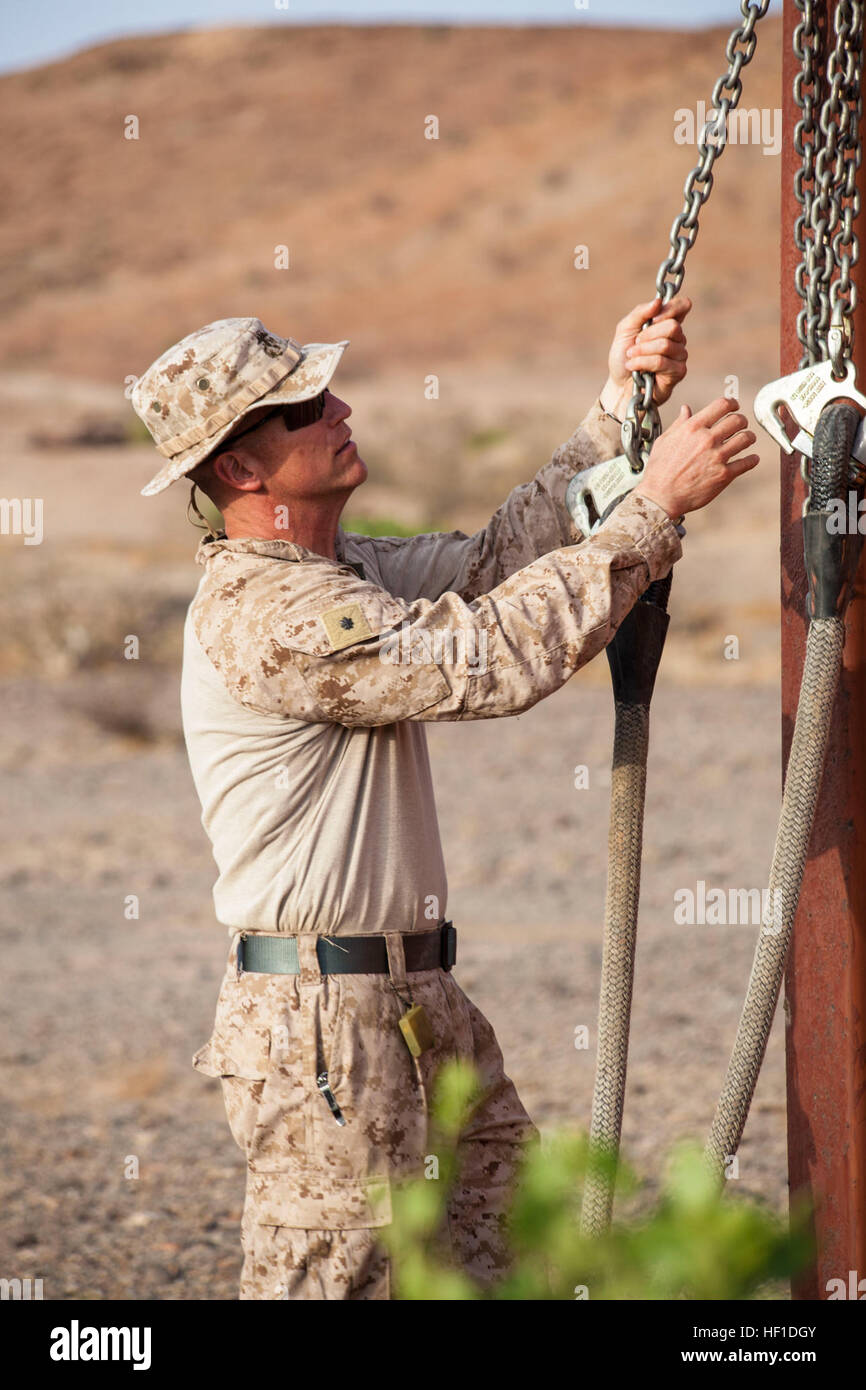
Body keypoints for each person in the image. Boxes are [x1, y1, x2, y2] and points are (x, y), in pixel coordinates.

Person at [131, 300, 758, 1300]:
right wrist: (653, 506)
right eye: (303, 408)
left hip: (413, 1002)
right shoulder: (270, 611)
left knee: (517, 1266)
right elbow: (488, 658)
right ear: (240, 471)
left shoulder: (341, 571)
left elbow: (495, 563)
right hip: (325, 1027)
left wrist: (616, 408)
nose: (340, 406)